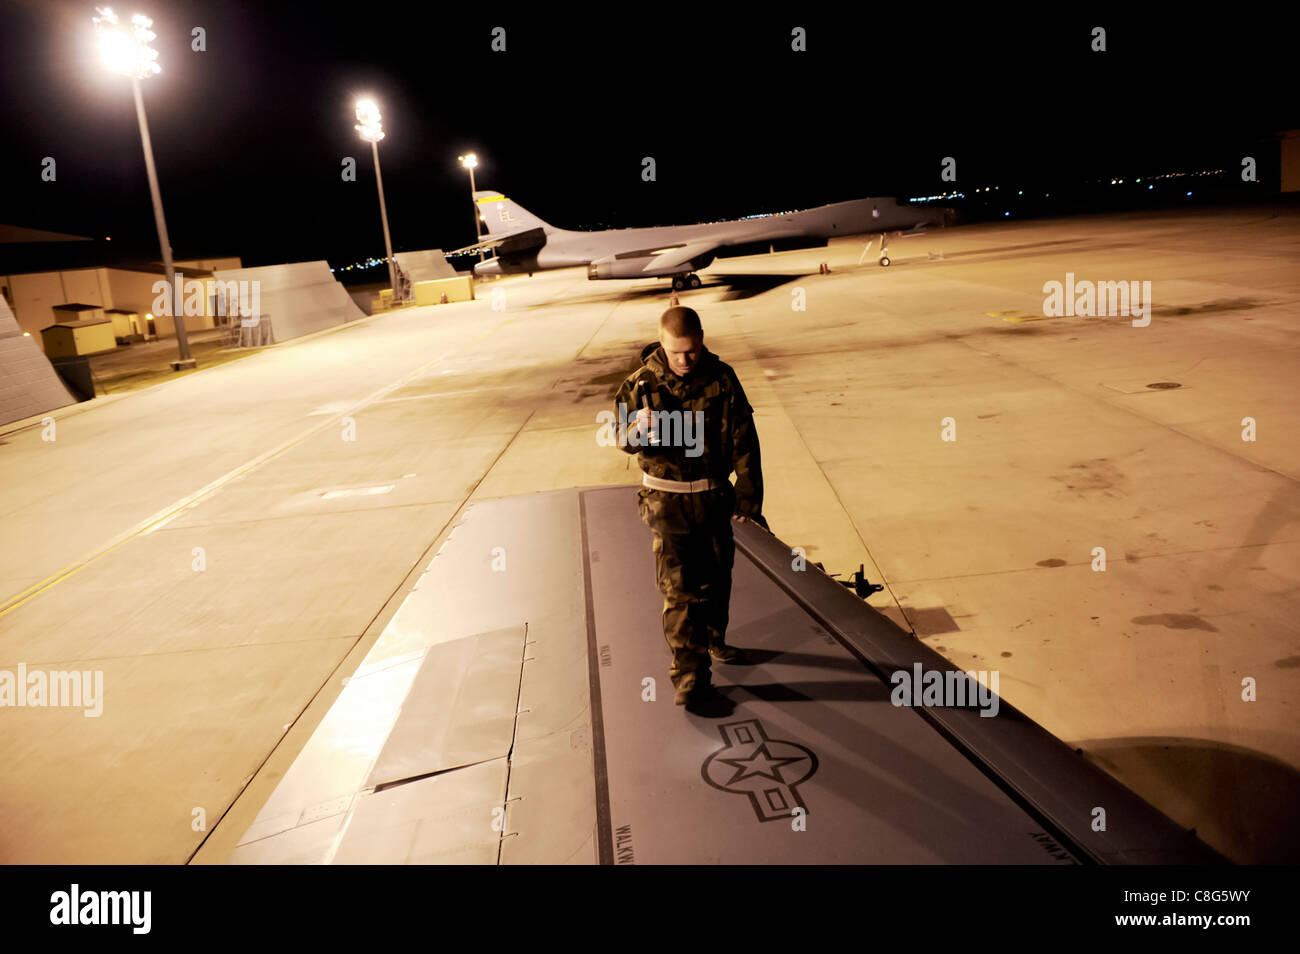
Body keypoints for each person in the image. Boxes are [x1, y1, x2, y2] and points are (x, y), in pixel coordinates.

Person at [612, 305, 767, 715]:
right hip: (668, 506)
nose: (685, 360)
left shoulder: (722, 378)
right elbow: (620, 438)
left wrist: (749, 496)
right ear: (662, 344)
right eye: (677, 352)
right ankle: (690, 678)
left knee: (718, 581)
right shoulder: (639, 385)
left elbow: (743, 439)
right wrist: (636, 430)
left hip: (714, 501)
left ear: (701, 340)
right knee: (680, 596)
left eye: (692, 351)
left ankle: (715, 638)